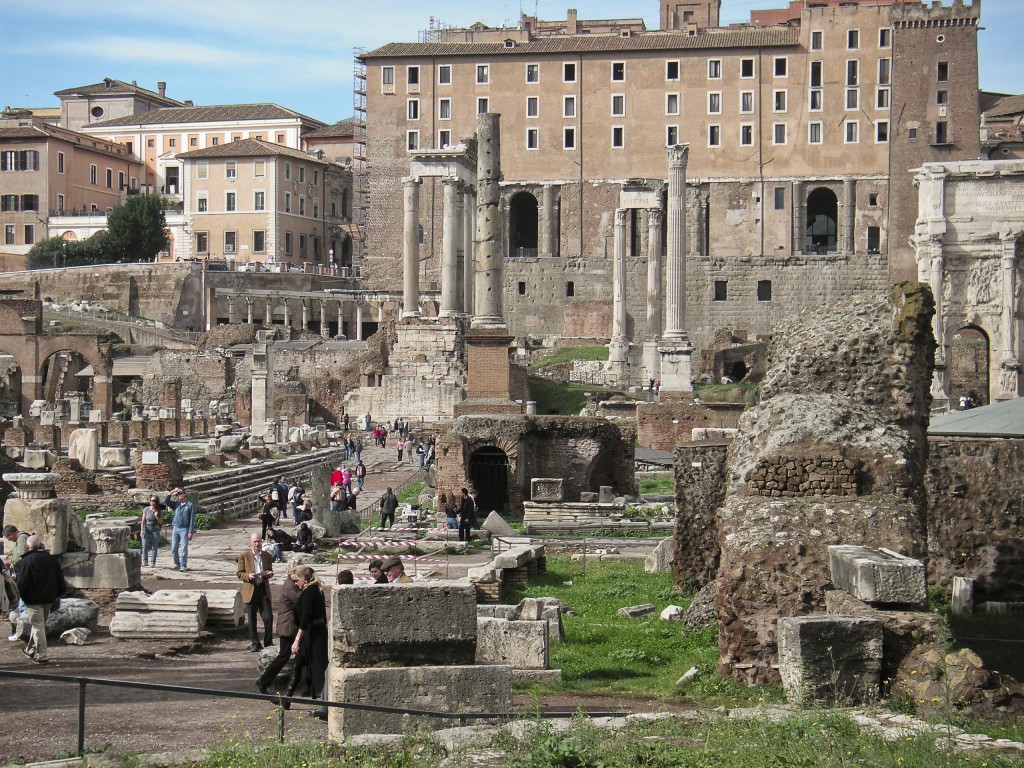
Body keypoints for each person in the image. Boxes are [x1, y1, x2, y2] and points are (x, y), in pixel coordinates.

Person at [14, 535, 66, 664]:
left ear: (27, 546)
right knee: (39, 625)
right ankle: (30, 650)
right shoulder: (51, 559)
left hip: (33, 600)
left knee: (38, 626)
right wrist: (58, 594)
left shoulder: (27, 560)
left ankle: (42, 655)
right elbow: (60, 578)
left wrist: (22, 596)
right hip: (49, 598)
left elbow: (22, 583)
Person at [285, 566, 328, 719]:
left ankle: (325, 708)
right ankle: (287, 697)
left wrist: (297, 640)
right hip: (313, 632)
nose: (295, 584)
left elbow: (305, 618)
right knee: (298, 662)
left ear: (303, 579)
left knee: (319, 669)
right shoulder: (314, 590)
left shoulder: (311, 592)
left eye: (297, 580)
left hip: (314, 634)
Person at [257, 565, 300, 696]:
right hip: (288, 626)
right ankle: (264, 681)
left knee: (288, 656)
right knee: (283, 656)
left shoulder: (290, 583)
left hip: (289, 624)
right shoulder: (291, 585)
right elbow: (300, 599)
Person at [237, 533, 274, 652]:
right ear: (251, 543)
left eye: (259, 541)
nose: (257, 544)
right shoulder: (244, 555)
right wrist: (248, 576)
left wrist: (269, 574)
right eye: (255, 542)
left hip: (263, 588)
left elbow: (270, 570)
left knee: (268, 617)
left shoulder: (267, 555)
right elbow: (239, 573)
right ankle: (255, 643)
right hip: (251, 588)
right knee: (252, 618)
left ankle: (268, 642)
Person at [169, 488, 196, 572]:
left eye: (180, 494)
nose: (179, 496)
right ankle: (177, 563)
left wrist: (190, 531)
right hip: (176, 527)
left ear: (184, 494)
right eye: (178, 494)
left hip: (185, 528)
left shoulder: (190, 505)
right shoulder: (176, 504)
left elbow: (192, 519)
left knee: (184, 548)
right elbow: (166, 501)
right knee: (174, 548)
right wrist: (172, 492)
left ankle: (183, 565)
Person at [140, 496, 163, 567]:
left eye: (154, 501)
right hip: (146, 527)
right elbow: (143, 520)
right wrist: (142, 530)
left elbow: (161, 522)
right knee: (144, 545)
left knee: (154, 546)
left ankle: (153, 562)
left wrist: (156, 515)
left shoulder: (159, 510)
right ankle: (145, 561)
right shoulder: (146, 509)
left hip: (155, 528)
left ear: (156, 502)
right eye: (151, 500)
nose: (152, 502)